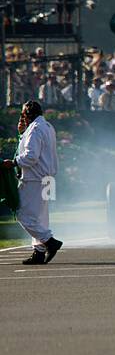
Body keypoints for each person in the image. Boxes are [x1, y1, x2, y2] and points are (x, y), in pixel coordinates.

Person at [2, 101, 62, 265]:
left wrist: (14, 162)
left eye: (23, 114)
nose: (22, 117)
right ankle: (39, 251)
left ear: (28, 114)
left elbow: (31, 156)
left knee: (23, 214)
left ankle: (49, 242)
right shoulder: (47, 126)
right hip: (48, 177)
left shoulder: (35, 129)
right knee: (40, 218)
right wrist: (22, 133)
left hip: (35, 178)